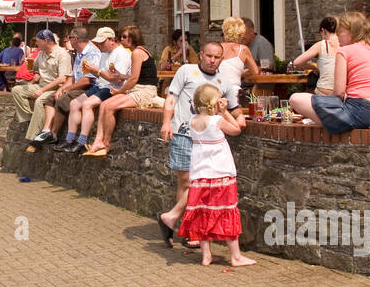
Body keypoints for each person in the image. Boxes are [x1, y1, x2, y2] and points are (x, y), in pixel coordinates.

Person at [156, 41, 240, 249]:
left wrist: (241, 117)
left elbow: (235, 106)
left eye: (217, 57)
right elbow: (171, 98)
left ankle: (174, 220)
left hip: (207, 141)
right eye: (209, 56)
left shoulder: (224, 80)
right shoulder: (186, 71)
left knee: (201, 184)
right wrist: (166, 122)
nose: (212, 60)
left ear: (222, 58)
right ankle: (188, 230)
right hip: (183, 133)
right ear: (201, 55)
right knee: (186, 182)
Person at [174, 84, 255, 268]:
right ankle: (235, 256)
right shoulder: (216, 121)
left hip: (201, 175)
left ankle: (206, 255)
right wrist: (225, 112)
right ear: (213, 102)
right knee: (226, 211)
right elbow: (236, 129)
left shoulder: (192, 120)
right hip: (220, 173)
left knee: (203, 213)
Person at [289, 12, 370, 132]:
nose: (337, 34)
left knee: (295, 98)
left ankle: (329, 125)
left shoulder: (345, 51)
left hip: (362, 112)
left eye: (341, 31)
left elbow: (338, 93)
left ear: (352, 32)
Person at [86, 26, 158, 157]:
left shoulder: (137, 52)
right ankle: (97, 141)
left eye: (124, 37)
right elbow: (134, 76)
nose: (121, 39)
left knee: (109, 107)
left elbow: (134, 79)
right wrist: (121, 76)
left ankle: (106, 144)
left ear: (132, 38)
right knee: (104, 105)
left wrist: (120, 92)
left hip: (144, 91)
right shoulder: (137, 52)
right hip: (138, 89)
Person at [57, 27, 129, 153]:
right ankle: (70, 139)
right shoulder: (104, 54)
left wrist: (97, 71)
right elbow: (99, 75)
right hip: (100, 86)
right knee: (74, 103)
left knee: (87, 104)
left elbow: (117, 80)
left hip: (112, 88)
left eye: (102, 42)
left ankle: (82, 141)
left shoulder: (121, 54)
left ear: (112, 40)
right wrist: (92, 71)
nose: (99, 45)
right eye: (98, 42)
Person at [14, 29, 73, 150]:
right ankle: (28, 119)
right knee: (17, 90)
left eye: (38, 41)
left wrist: (42, 90)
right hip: (41, 85)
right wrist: (29, 66)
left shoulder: (62, 54)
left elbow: (62, 79)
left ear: (46, 41)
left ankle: (33, 139)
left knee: (40, 100)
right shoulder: (41, 53)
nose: (36, 44)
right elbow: (34, 69)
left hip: (56, 88)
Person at [37, 27, 98, 143]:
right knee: (50, 98)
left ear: (75, 39)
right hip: (78, 85)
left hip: (89, 88)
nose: (68, 40)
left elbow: (86, 81)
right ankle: (46, 129)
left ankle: (54, 134)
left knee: (62, 100)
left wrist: (68, 89)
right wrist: (62, 88)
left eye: (69, 37)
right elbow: (73, 78)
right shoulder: (79, 54)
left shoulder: (91, 54)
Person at [290, 16, 340, 97]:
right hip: (341, 95)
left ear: (323, 31)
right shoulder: (345, 45)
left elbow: (297, 62)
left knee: (295, 97)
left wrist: (313, 67)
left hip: (323, 93)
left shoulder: (322, 44)